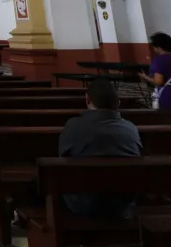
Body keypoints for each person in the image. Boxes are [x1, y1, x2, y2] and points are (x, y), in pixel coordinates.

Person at [58, 77, 143, 218]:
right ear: (118, 103)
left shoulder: (74, 126)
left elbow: (63, 158)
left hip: (84, 203)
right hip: (123, 203)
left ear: (87, 99)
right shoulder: (131, 128)